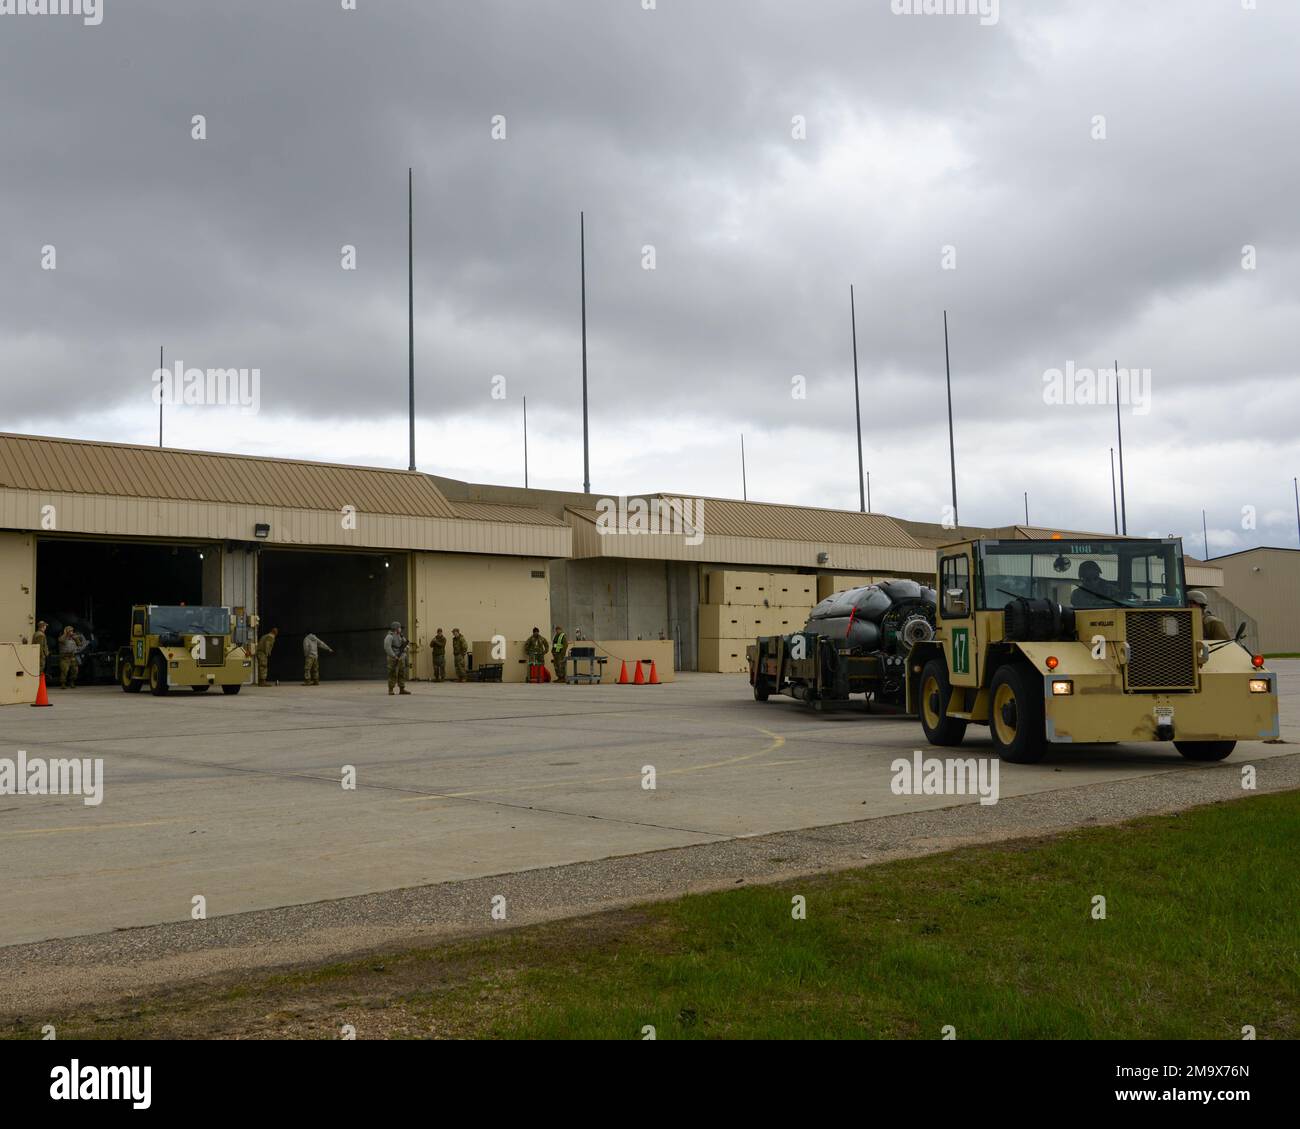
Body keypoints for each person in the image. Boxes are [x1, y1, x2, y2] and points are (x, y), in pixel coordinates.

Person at [384, 621, 411, 695]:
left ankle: (402, 688)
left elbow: (404, 643)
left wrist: (406, 647)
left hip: (401, 656)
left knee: (402, 673)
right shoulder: (390, 636)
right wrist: (394, 655)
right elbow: (387, 648)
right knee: (392, 673)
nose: (400, 629)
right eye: (399, 627)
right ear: (396, 628)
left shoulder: (400, 635)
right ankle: (391, 689)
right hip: (393, 657)